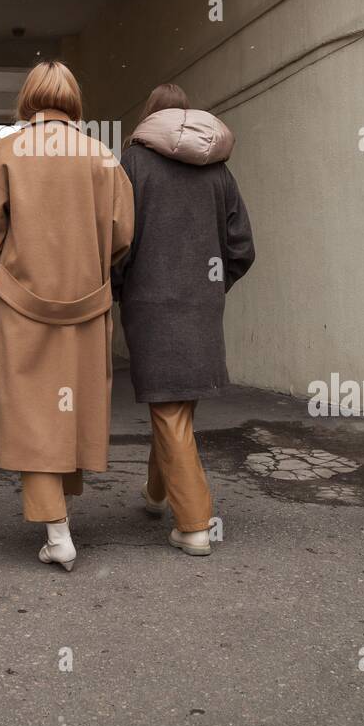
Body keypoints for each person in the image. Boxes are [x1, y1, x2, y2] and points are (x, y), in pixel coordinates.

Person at [0, 61, 134, 571]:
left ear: (28, 100)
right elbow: (122, 233)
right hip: (86, 304)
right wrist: (92, 267)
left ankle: (57, 530)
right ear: (73, 102)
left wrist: (1, 268)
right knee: (69, 408)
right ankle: (59, 514)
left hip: (22, 304)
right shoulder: (102, 157)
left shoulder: (5, 154)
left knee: (32, 411)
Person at [112, 82, 254, 556]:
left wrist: (120, 287)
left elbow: (117, 241)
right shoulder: (220, 171)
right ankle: (156, 493)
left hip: (151, 305)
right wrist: (211, 286)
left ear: (150, 119)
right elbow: (241, 249)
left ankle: (194, 524)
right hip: (202, 303)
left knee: (169, 407)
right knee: (175, 404)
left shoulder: (132, 164)